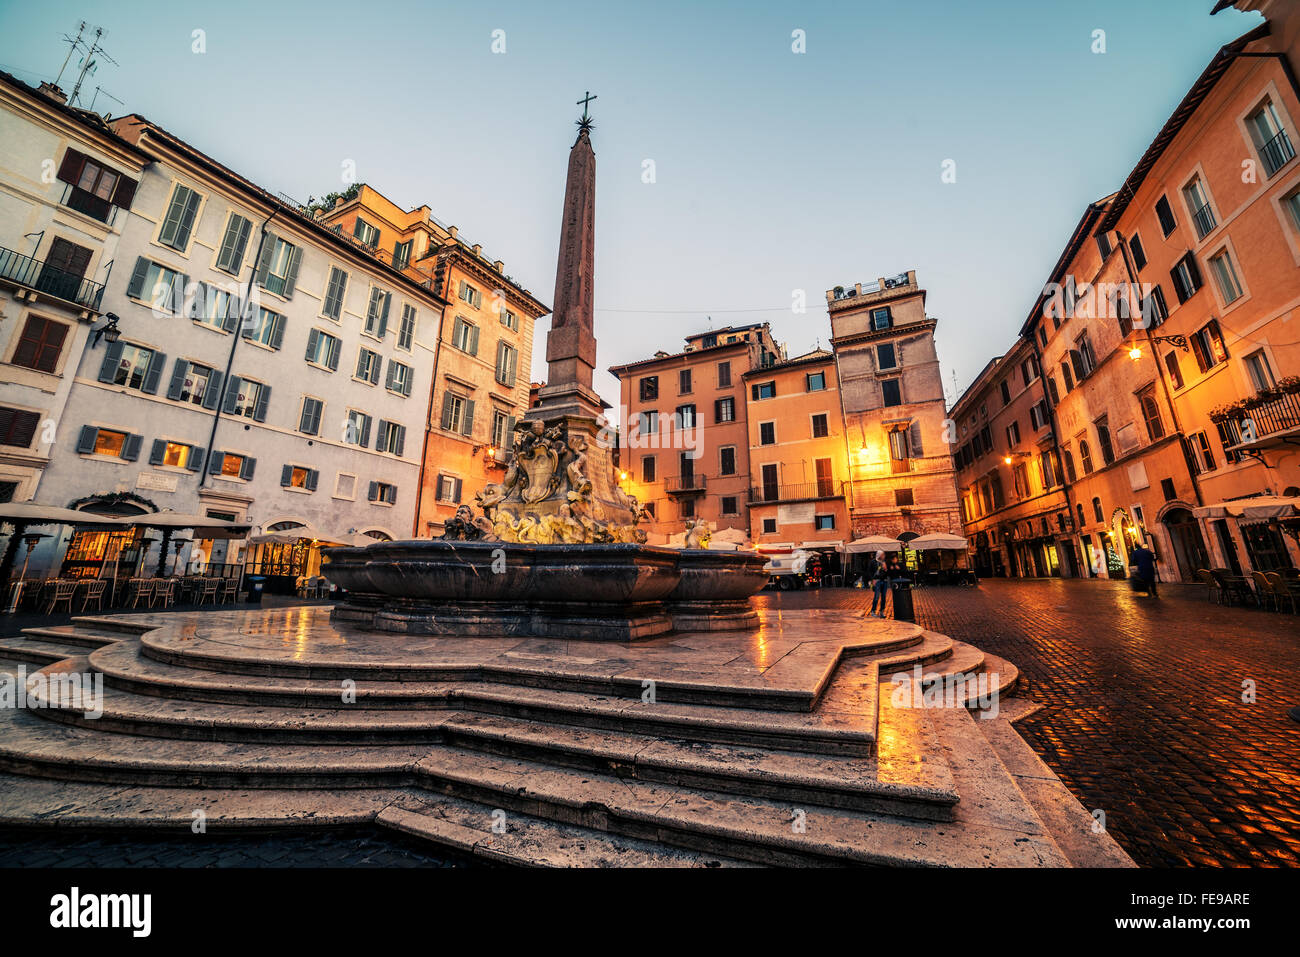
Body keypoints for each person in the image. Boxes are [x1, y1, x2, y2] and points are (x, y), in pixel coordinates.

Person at [869, 550, 890, 617]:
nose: (884, 556)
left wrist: (886, 569)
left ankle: (881, 611)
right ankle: (873, 611)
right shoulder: (873, 562)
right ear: (879, 555)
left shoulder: (884, 562)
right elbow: (869, 572)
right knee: (876, 597)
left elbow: (888, 573)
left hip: (884, 581)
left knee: (883, 597)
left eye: (884, 555)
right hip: (877, 581)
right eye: (882, 555)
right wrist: (872, 580)